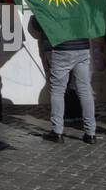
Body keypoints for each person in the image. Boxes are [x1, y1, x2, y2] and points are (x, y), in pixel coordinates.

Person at [28, 14, 96, 145]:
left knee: (58, 90)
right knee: (85, 89)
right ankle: (91, 133)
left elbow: (37, 22)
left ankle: (57, 131)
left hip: (59, 47)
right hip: (81, 45)